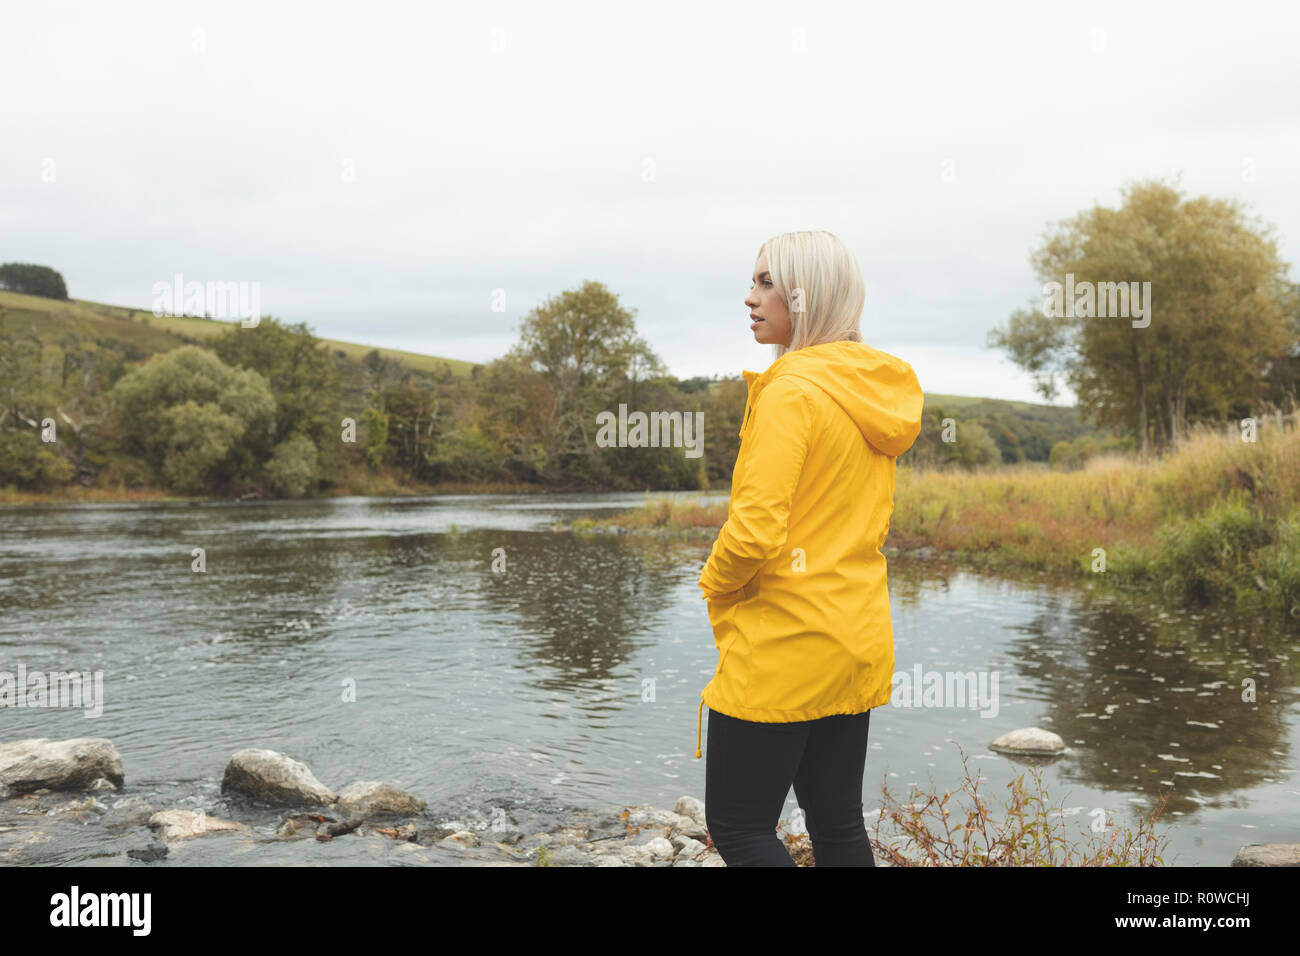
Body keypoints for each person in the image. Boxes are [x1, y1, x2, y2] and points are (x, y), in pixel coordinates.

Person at [695, 230, 924, 867]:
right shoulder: (868, 390)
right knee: (837, 823)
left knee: (740, 827)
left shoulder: (790, 390)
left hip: (785, 645)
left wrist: (712, 583)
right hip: (854, 639)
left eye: (767, 282)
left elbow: (754, 531)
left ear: (808, 293)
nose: (750, 297)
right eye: (752, 281)